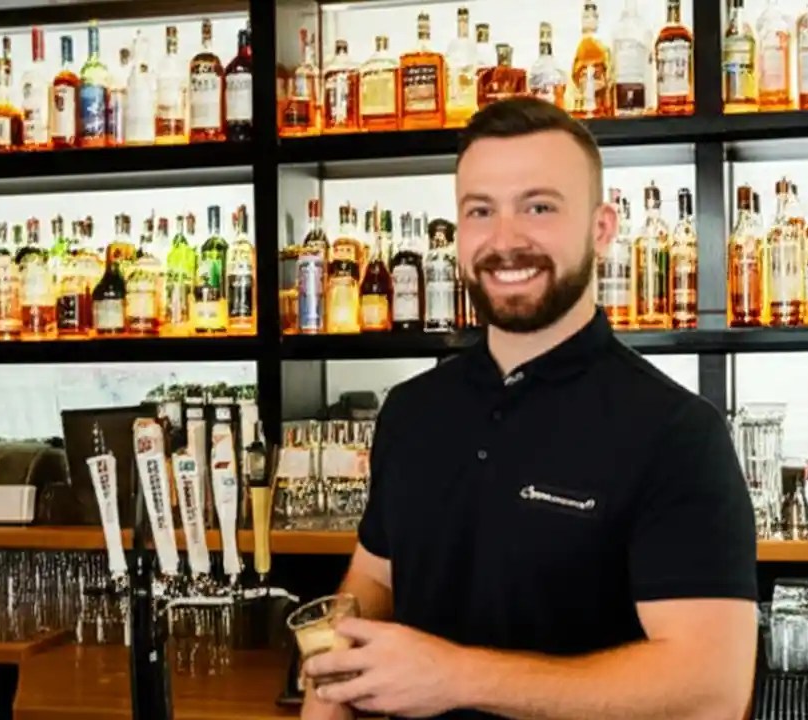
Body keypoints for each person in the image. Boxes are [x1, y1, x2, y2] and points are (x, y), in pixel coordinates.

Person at [301, 96, 758, 720]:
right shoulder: (411, 412)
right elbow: (375, 580)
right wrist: (330, 678)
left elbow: (710, 689)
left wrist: (457, 677)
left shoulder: (677, 433)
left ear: (602, 228)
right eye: (480, 211)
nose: (505, 241)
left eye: (539, 207)